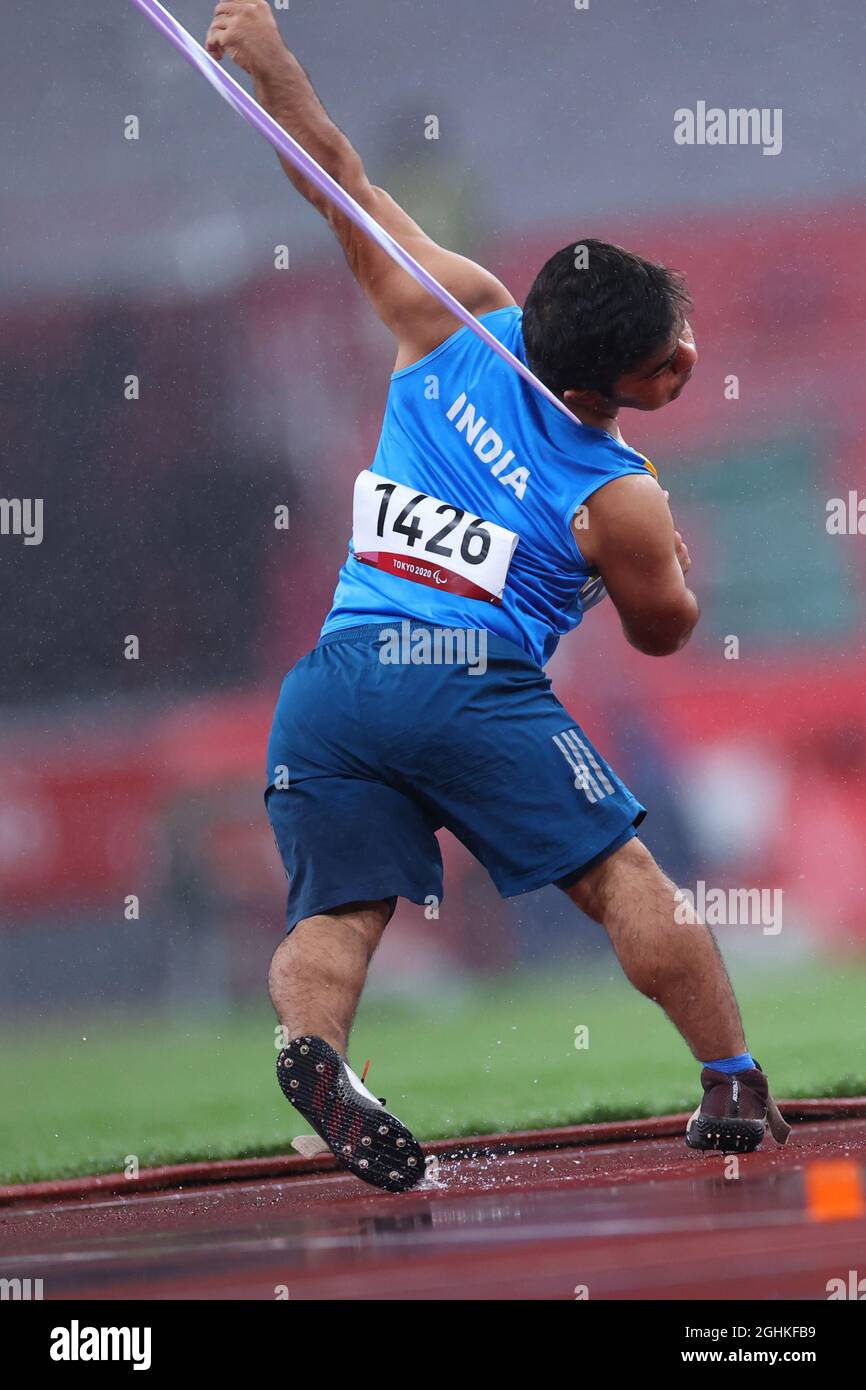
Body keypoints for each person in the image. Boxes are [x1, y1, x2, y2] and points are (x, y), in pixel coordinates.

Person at [206, 1, 790, 1191]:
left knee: (336, 917)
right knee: (621, 876)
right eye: (668, 351)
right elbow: (665, 630)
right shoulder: (617, 490)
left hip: (336, 681)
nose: (683, 356)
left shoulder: (453, 313)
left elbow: (337, 180)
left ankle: (317, 1053)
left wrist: (273, 65)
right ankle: (731, 1078)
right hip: (466, 683)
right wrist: (663, 547)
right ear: (641, 379)